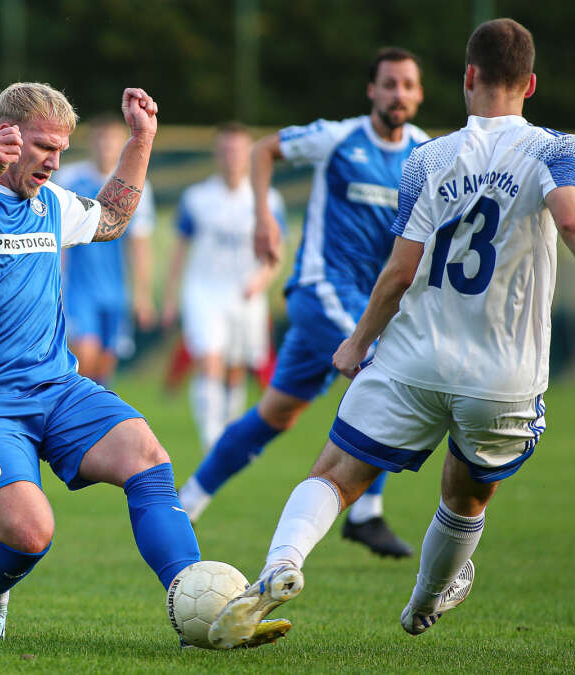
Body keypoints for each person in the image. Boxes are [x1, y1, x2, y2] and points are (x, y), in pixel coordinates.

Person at [207, 18, 575, 649]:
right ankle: (423, 602)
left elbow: (400, 271)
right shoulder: (556, 149)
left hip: (411, 361)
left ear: (468, 79)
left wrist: (357, 341)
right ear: (530, 84)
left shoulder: (427, 158)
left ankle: (281, 565)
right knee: (467, 495)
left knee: (336, 473)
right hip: (501, 376)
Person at [0, 82, 287, 647]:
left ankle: (192, 598)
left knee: (148, 456)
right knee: (30, 532)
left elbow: (112, 216)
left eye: (61, 149)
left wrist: (142, 139)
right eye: (42, 146)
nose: (54, 161)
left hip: (56, 385)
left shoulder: (53, 203)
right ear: (4, 136)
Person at [178, 47, 427, 558]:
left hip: (375, 304)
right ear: (372, 91)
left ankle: (186, 502)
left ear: (419, 94)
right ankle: (364, 512)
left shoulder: (427, 155)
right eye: (389, 83)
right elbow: (263, 150)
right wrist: (263, 220)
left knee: (277, 411)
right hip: (322, 293)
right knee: (385, 373)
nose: (397, 93)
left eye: (407, 84)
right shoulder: (338, 138)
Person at [162, 122, 286, 453]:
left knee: (235, 367)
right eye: (226, 149)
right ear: (217, 154)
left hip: (245, 293)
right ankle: (211, 438)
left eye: (239, 150)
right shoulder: (198, 197)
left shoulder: (267, 200)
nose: (232, 156)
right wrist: (171, 296)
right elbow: (179, 250)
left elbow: (278, 251)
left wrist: (260, 281)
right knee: (210, 358)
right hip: (203, 290)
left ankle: (228, 432)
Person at [53, 114, 156, 384]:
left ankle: (94, 422)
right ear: (91, 143)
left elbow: (139, 245)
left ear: (124, 144)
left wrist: (142, 295)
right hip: (78, 287)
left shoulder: (135, 187)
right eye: (100, 140)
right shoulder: (70, 179)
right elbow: (58, 236)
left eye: (112, 141)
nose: (106, 147)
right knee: (84, 358)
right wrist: (55, 283)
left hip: (115, 290)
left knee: (104, 367)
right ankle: (73, 420)